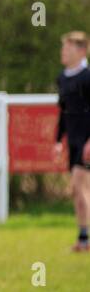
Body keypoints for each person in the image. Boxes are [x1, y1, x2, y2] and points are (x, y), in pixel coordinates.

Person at [55, 31, 90, 253]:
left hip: (88, 143)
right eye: (63, 49)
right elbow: (63, 112)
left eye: (67, 49)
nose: (63, 53)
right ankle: (83, 238)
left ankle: (85, 239)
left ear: (81, 51)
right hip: (74, 141)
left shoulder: (88, 77)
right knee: (78, 191)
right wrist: (58, 140)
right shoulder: (63, 78)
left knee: (79, 186)